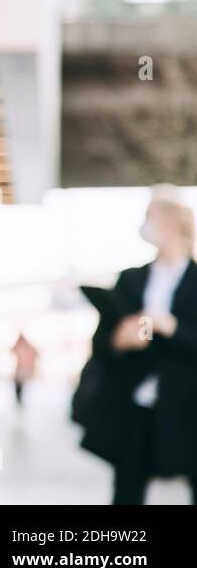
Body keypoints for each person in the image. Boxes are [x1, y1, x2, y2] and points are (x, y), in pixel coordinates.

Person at [76, 187, 197, 504]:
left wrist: (172, 327)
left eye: (150, 217)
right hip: (135, 403)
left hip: (187, 405)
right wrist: (121, 339)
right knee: (127, 489)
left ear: (173, 222)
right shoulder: (131, 279)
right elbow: (102, 343)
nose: (145, 225)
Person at [11, 332, 38, 406]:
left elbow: (36, 353)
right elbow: (12, 350)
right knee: (18, 386)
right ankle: (19, 399)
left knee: (22, 386)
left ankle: (21, 400)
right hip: (20, 370)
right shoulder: (20, 346)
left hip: (24, 370)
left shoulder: (28, 346)